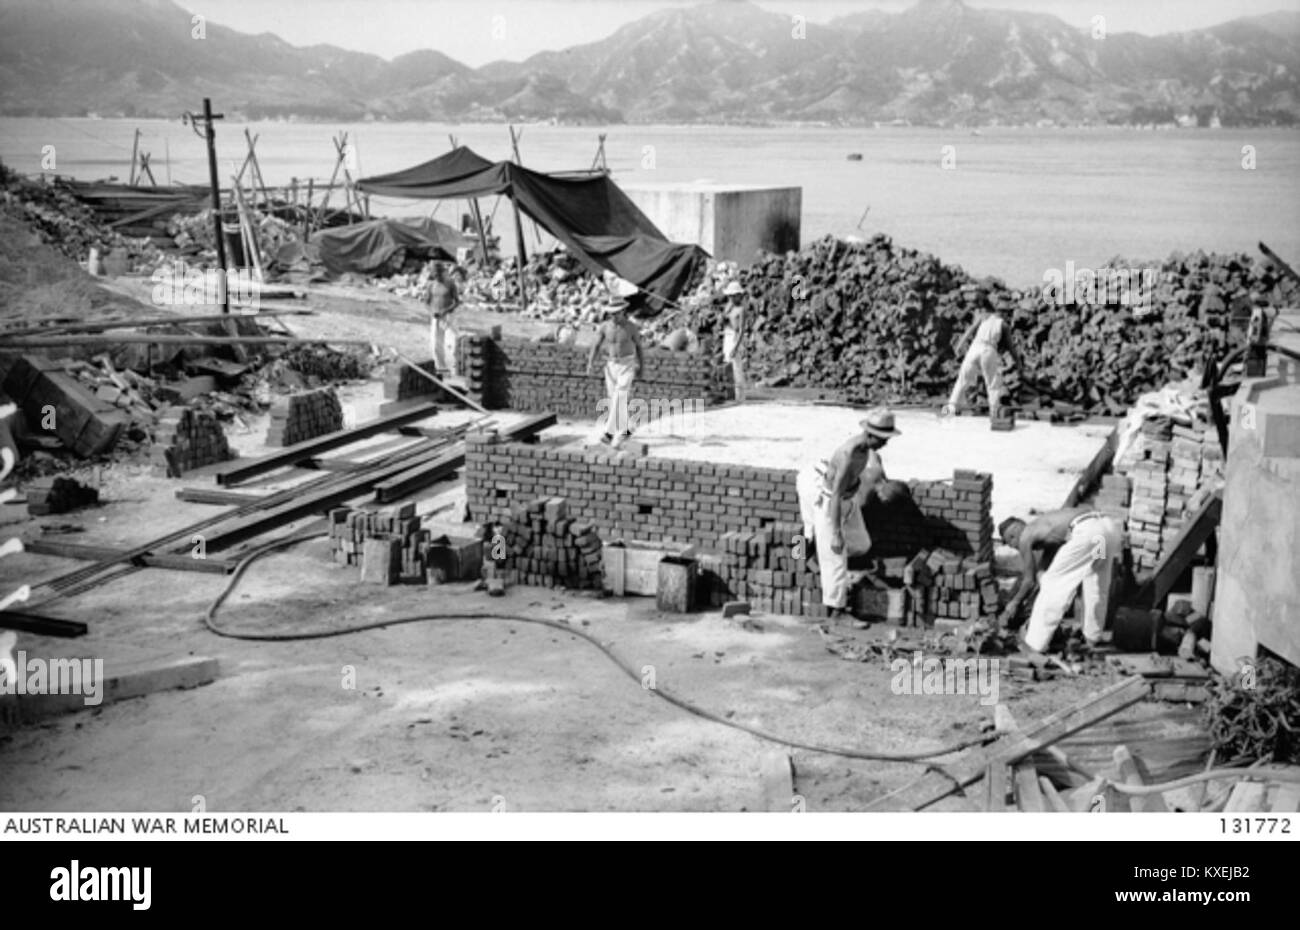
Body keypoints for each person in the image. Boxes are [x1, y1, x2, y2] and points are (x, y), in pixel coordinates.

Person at [796, 409, 900, 619]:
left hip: (848, 500)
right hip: (829, 503)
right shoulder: (849, 455)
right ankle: (837, 610)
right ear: (870, 435)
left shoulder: (868, 451)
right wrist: (835, 534)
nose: (885, 444)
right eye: (882, 440)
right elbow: (834, 496)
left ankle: (824, 552)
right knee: (835, 555)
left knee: (862, 544)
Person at [998, 508, 1124, 654]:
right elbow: (1046, 563)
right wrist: (1042, 575)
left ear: (1012, 536)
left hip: (1087, 532)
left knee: (1053, 587)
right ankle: (1092, 637)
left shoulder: (1025, 536)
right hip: (1105, 530)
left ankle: (1034, 644)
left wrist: (1015, 602)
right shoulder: (1042, 526)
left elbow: (1029, 580)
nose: (1014, 548)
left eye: (1010, 543)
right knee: (1095, 582)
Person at [943, 289, 1022, 417]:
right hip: (989, 350)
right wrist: (1018, 362)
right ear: (1005, 313)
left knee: (962, 380)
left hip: (975, 348)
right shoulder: (1004, 325)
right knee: (992, 384)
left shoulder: (983, 317)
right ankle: (994, 412)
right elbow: (1010, 348)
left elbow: (969, 330)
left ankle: (948, 411)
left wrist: (959, 346)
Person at [586, 291, 646, 446]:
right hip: (611, 365)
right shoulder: (605, 327)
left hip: (627, 364)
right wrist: (590, 363)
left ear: (623, 311)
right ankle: (627, 428)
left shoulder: (631, 327)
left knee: (620, 396)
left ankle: (609, 433)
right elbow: (596, 345)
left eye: (617, 313)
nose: (614, 316)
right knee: (615, 400)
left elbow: (639, 347)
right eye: (611, 313)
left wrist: (642, 367)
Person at [424, 261, 460, 377]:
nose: (437, 276)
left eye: (438, 273)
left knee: (453, 343)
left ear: (442, 272)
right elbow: (426, 302)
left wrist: (445, 311)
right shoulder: (431, 285)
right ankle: (441, 369)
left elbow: (456, 302)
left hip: (449, 316)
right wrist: (432, 312)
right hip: (436, 317)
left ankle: (456, 369)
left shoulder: (450, 284)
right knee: (436, 345)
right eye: (434, 273)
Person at [721, 280, 748, 402]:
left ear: (739, 296)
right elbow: (722, 321)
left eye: (734, 296)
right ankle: (730, 394)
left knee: (736, 367)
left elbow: (742, 330)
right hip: (727, 336)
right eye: (730, 296)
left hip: (735, 338)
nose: (731, 298)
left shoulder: (741, 310)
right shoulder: (729, 308)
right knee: (727, 365)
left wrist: (735, 347)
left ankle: (740, 397)